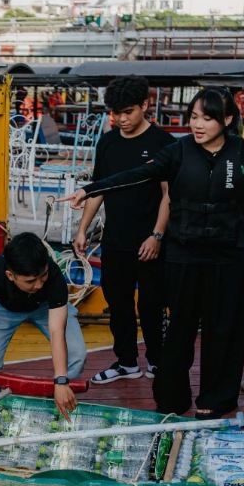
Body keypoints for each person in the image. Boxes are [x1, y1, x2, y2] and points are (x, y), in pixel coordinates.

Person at [61, 87, 244, 420]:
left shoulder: (243, 155)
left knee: (224, 331)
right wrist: (90, 188)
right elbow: (138, 175)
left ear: (227, 120)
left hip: (226, 256)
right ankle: (173, 398)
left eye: (207, 118)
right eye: (193, 117)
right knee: (179, 331)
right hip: (183, 256)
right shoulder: (178, 151)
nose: (198, 125)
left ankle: (216, 398)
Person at [74, 75, 173, 384]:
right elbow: (99, 188)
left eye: (128, 111)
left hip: (150, 240)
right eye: (116, 113)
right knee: (118, 304)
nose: (122, 119)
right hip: (115, 239)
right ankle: (126, 361)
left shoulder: (163, 143)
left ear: (145, 105)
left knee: (152, 305)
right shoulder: (108, 142)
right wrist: (82, 230)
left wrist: (156, 235)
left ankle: (157, 360)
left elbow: (169, 193)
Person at [0, 232, 86, 417]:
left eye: (42, 276)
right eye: (30, 281)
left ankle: (62, 400)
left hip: (45, 308)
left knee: (77, 353)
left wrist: (61, 381)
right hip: (4, 309)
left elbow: (57, 332)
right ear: (10, 275)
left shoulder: (54, 277)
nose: (38, 285)